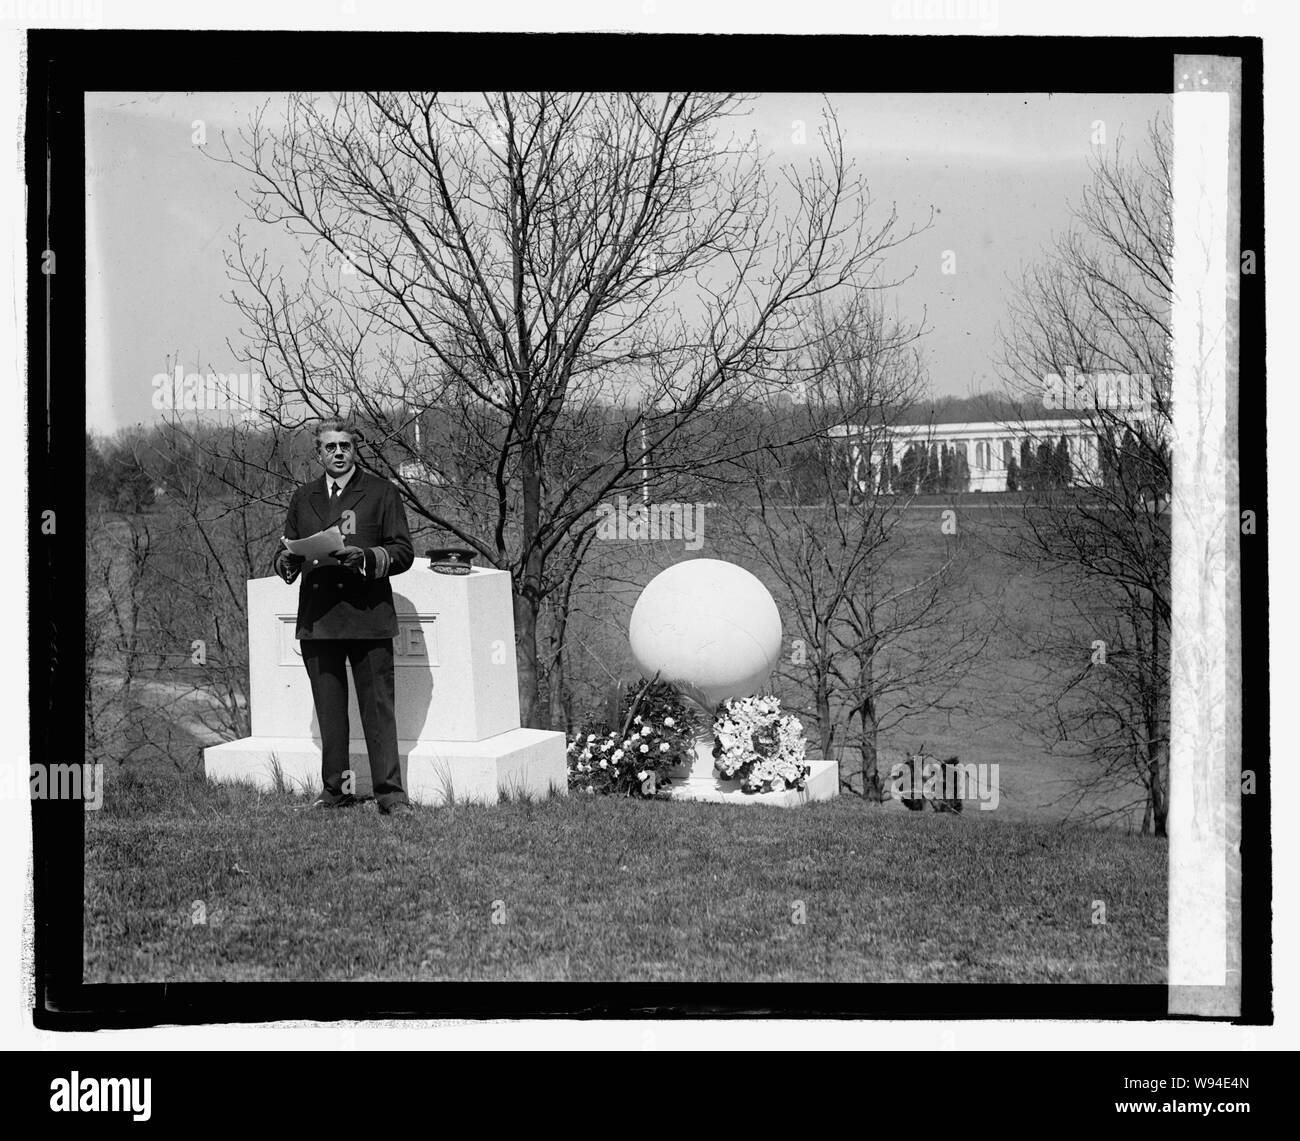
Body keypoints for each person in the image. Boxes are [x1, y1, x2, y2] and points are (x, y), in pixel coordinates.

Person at [273, 419, 416, 817]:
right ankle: (335, 791)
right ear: (318, 453)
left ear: (356, 449)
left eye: (345, 446)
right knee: (330, 712)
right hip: (319, 621)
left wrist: (367, 558)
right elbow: (285, 549)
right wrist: (284, 561)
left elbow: (402, 551)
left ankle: (390, 795)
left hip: (368, 616)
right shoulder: (303, 498)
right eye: (330, 447)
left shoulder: (381, 492)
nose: (338, 453)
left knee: (378, 710)